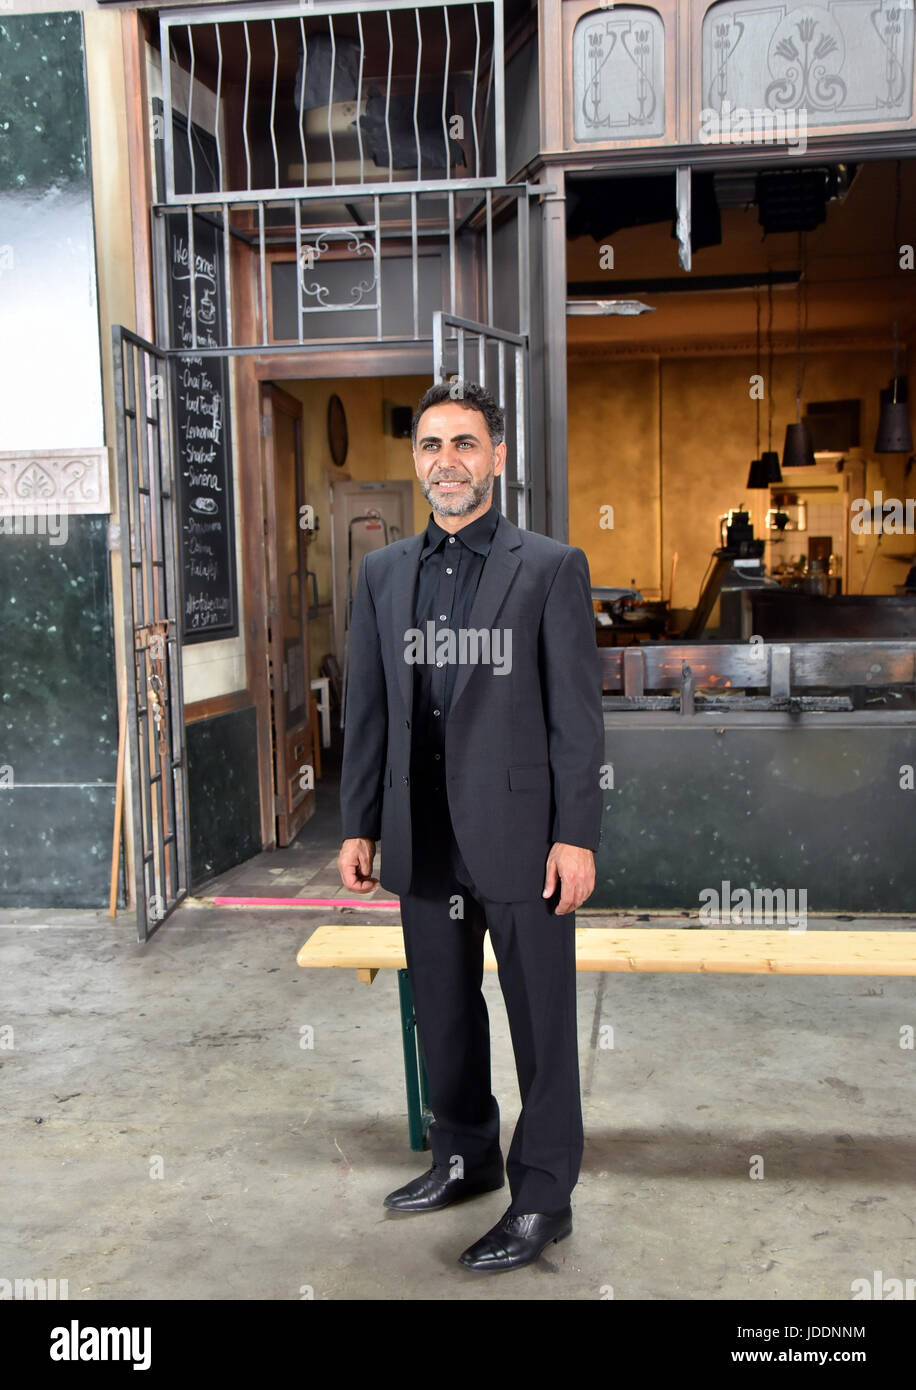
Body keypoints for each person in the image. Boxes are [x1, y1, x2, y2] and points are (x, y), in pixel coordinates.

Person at [337, 379, 604, 1273]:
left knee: (541, 1020)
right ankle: (463, 1154)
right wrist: (359, 822)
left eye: (464, 443)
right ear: (416, 462)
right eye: (430, 445)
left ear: (496, 456)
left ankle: (543, 1199)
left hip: (525, 840)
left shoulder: (550, 567)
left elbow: (576, 719)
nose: (445, 460)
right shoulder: (381, 574)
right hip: (421, 835)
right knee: (443, 1014)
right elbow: (369, 710)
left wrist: (578, 835)